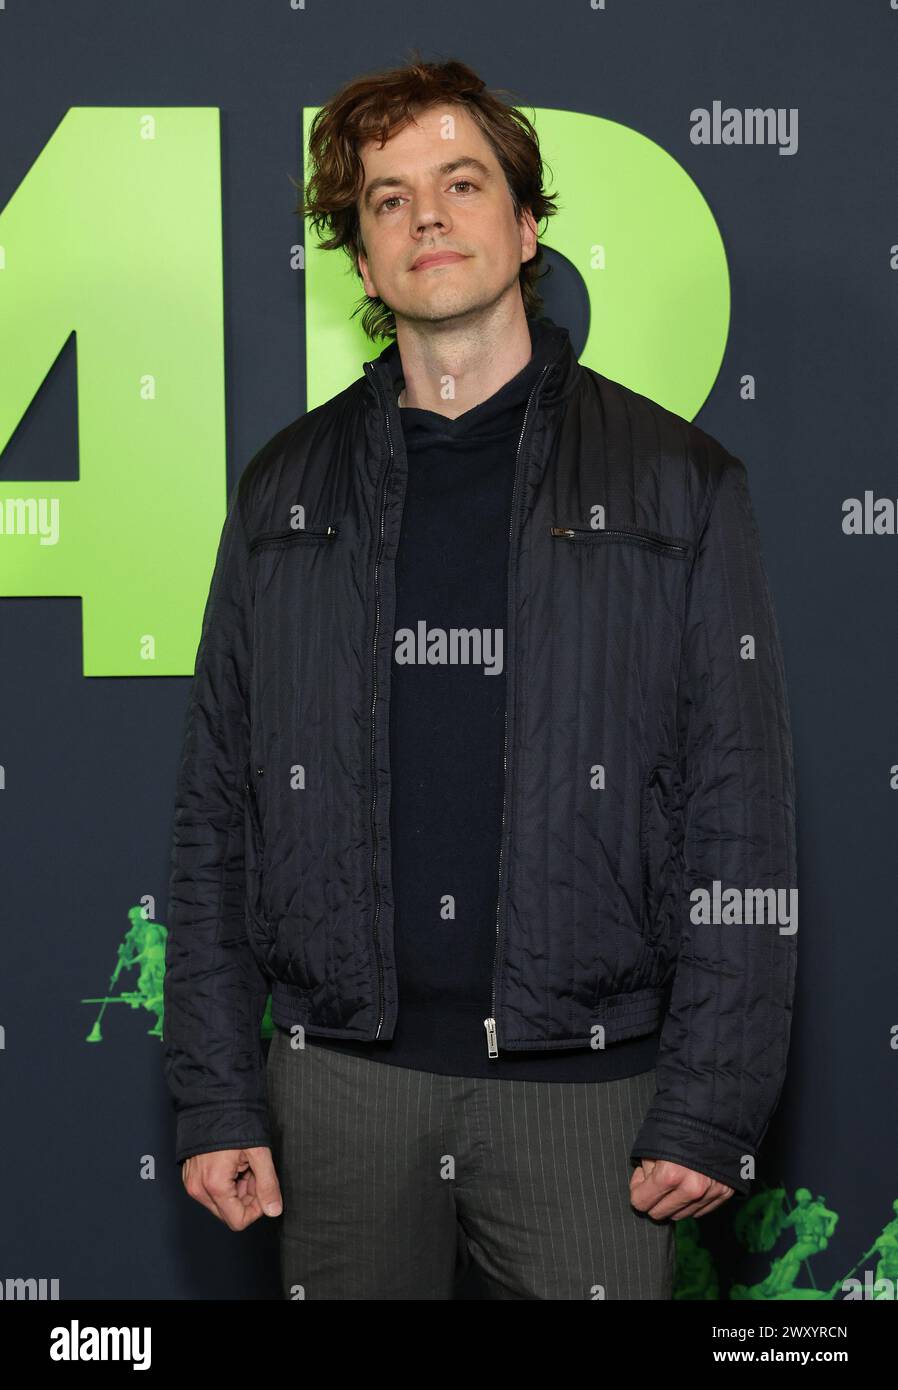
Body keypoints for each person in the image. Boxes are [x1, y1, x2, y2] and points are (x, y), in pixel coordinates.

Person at [163, 54, 798, 1301]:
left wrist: (714, 1093)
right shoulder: (283, 489)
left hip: (593, 1097)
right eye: (387, 200)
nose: (427, 217)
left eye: (460, 182)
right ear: (359, 258)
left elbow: (741, 806)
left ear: (527, 224)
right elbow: (213, 814)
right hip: (337, 1090)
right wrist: (215, 1089)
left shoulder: (681, 482)